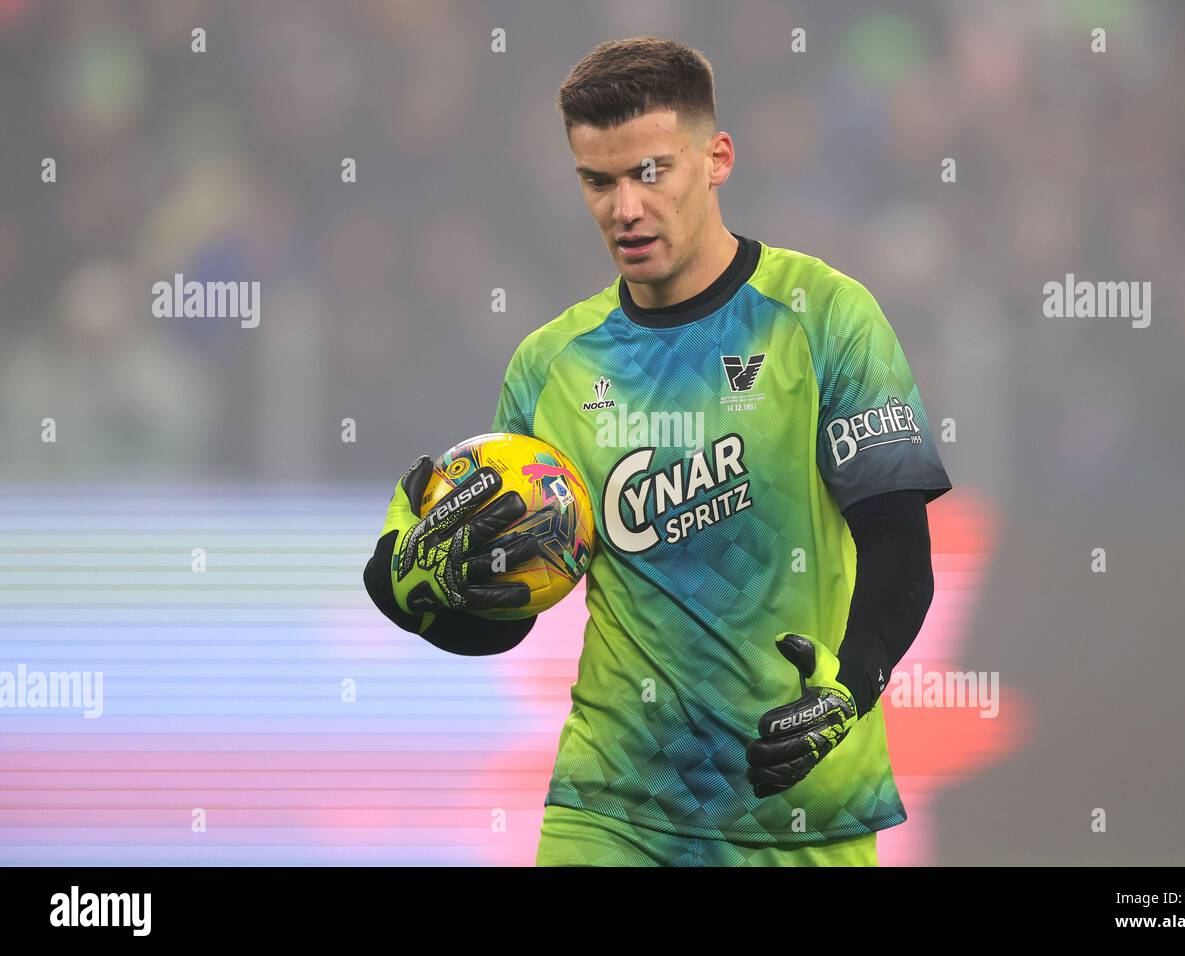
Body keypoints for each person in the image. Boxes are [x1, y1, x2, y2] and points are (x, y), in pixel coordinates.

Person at [364, 36, 952, 867]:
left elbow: (900, 551)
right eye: (597, 181)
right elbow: (510, 619)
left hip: (800, 806)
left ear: (717, 159)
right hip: (610, 812)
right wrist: (414, 588)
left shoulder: (824, 316)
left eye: (650, 173)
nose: (623, 209)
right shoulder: (550, 364)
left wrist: (846, 691)